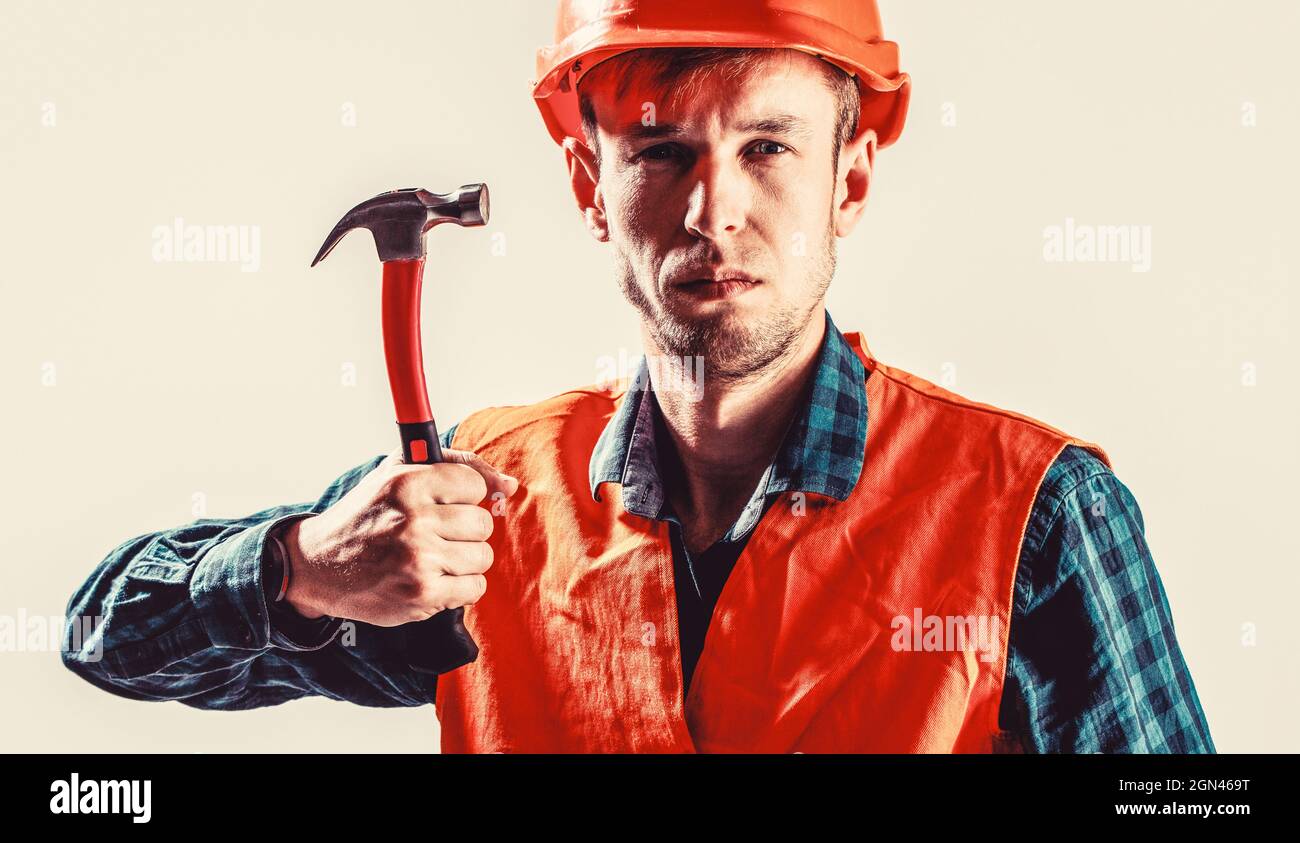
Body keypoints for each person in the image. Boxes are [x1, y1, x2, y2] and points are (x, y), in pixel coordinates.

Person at [62, 0, 1214, 753]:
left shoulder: (1032, 511)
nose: (714, 208)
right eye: (662, 151)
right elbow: (103, 635)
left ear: (847, 183)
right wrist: (304, 566)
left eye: (767, 146)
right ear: (586, 184)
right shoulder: (484, 508)